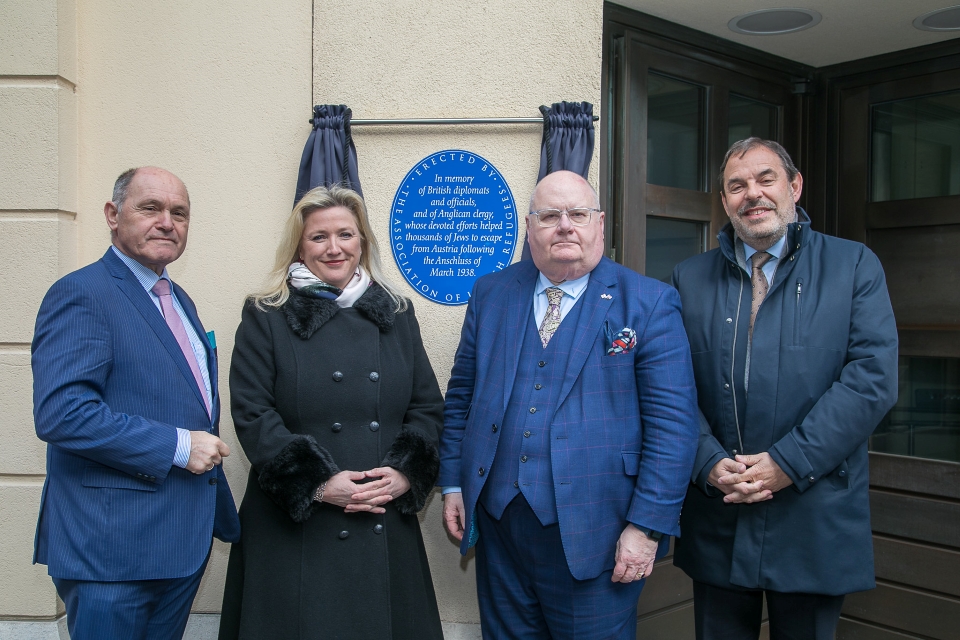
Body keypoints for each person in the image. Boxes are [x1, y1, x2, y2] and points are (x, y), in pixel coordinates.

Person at [439, 170, 700, 639]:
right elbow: (461, 399)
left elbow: (673, 429)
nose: (565, 226)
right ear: (529, 226)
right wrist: (453, 484)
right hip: (500, 529)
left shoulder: (649, 302)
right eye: (549, 215)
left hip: (597, 534)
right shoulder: (491, 293)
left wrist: (645, 528)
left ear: (600, 224)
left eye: (577, 214)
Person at [671, 138, 899, 640]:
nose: (752, 193)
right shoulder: (688, 279)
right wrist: (707, 460)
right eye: (737, 186)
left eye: (765, 179)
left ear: (794, 186)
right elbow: (670, 389)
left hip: (811, 515)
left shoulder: (854, 266)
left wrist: (788, 463)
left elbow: (871, 381)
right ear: (726, 202)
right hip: (719, 514)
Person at [219, 185, 444, 640]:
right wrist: (318, 483)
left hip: (381, 514)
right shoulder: (266, 313)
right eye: (319, 237)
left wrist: (404, 474)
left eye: (346, 234)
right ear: (299, 246)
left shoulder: (397, 313)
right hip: (294, 527)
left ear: (363, 242)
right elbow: (252, 414)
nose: (334, 247)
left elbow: (426, 407)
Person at [31, 166, 241, 639]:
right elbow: (63, 413)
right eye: (150, 208)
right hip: (112, 553)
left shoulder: (176, 298)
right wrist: (180, 446)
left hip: (178, 544)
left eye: (179, 213)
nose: (167, 222)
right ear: (113, 214)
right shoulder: (82, 293)